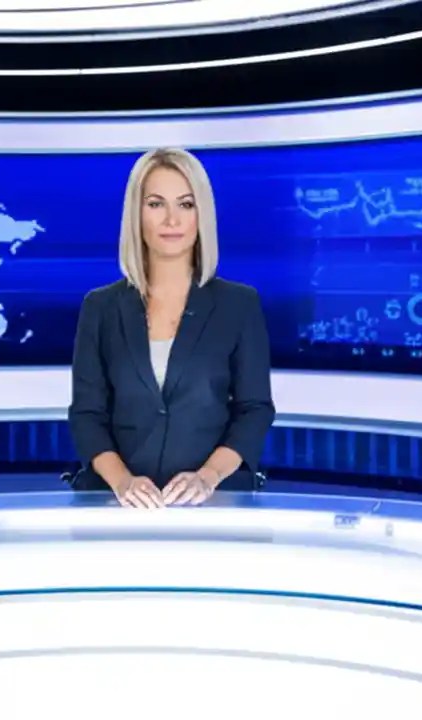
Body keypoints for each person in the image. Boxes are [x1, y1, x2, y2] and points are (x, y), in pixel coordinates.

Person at [67, 147, 275, 508]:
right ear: (136, 214)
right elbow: (87, 415)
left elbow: (255, 409)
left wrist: (208, 476)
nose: (171, 220)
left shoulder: (239, 305)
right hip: (118, 507)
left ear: (201, 214)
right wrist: (123, 482)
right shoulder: (100, 308)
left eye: (186, 204)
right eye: (156, 204)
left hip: (214, 503)